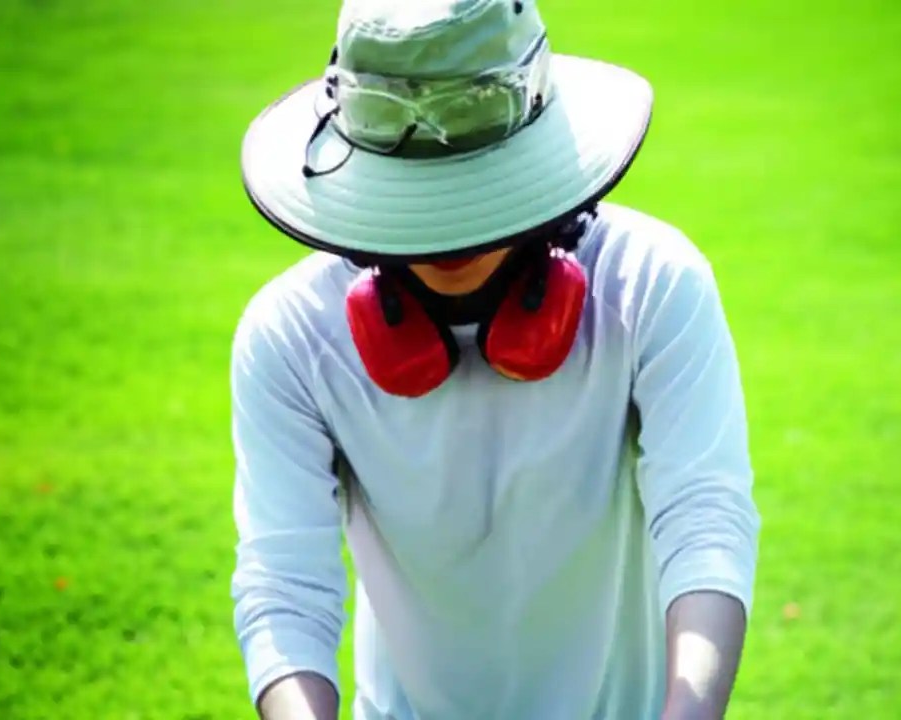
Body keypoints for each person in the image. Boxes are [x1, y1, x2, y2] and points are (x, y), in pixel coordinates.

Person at [231, 1, 762, 718]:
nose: (449, 232)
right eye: (423, 190)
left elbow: (705, 516)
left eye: (469, 188)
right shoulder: (292, 333)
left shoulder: (652, 283)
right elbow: (284, 586)